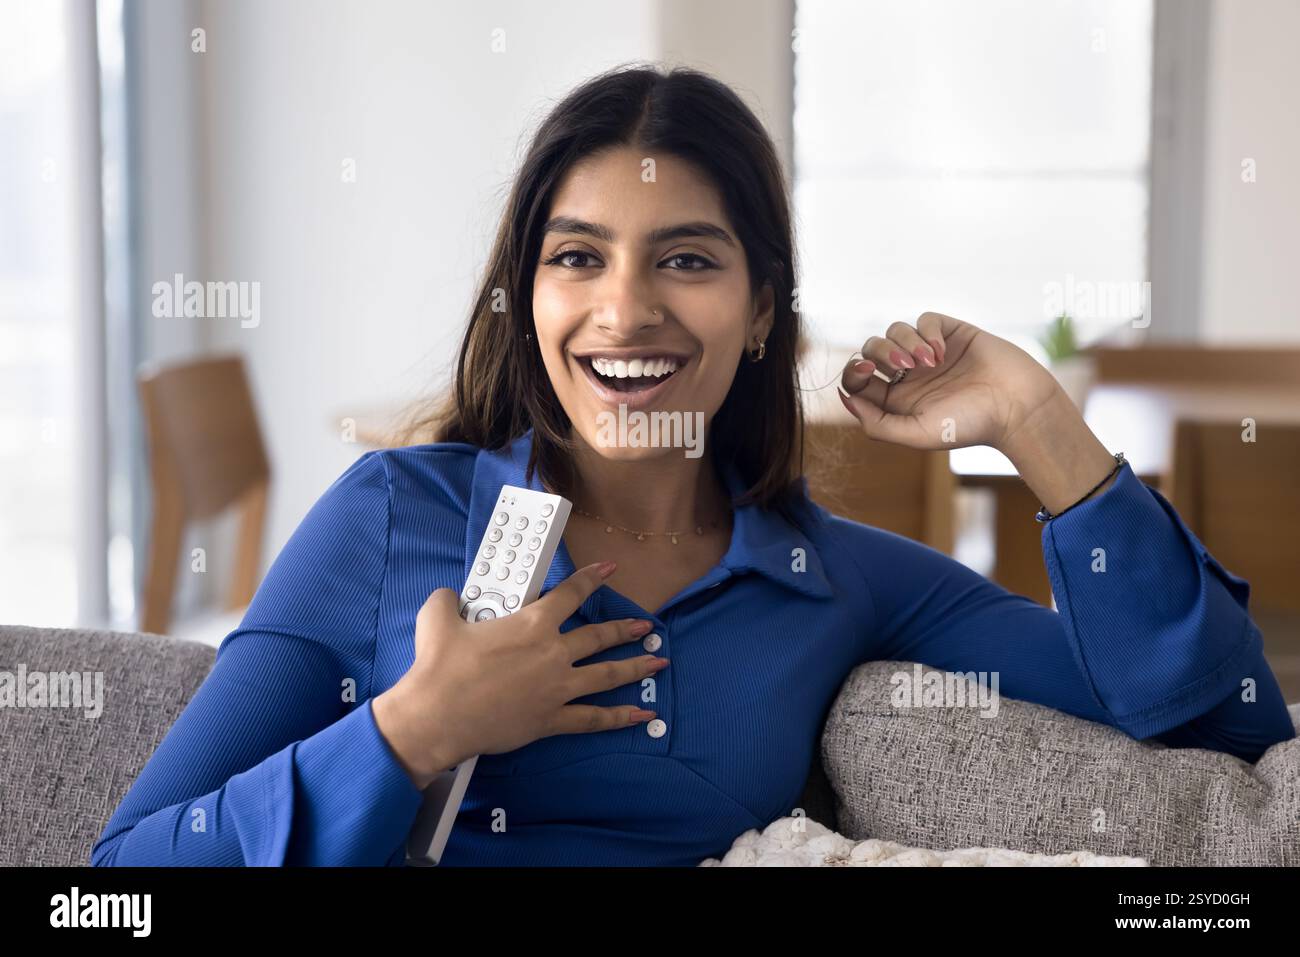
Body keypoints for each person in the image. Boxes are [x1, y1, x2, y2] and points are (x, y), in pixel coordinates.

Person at [92, 64, 1295, 867]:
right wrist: (411, 731)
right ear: (527, 298)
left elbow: (1229, 719)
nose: (623, 311)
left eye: (684, 260)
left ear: (763, 308)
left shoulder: (844, 583)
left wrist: (1039, 424)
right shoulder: (389, 521)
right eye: (577, 258)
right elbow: (114, 887)